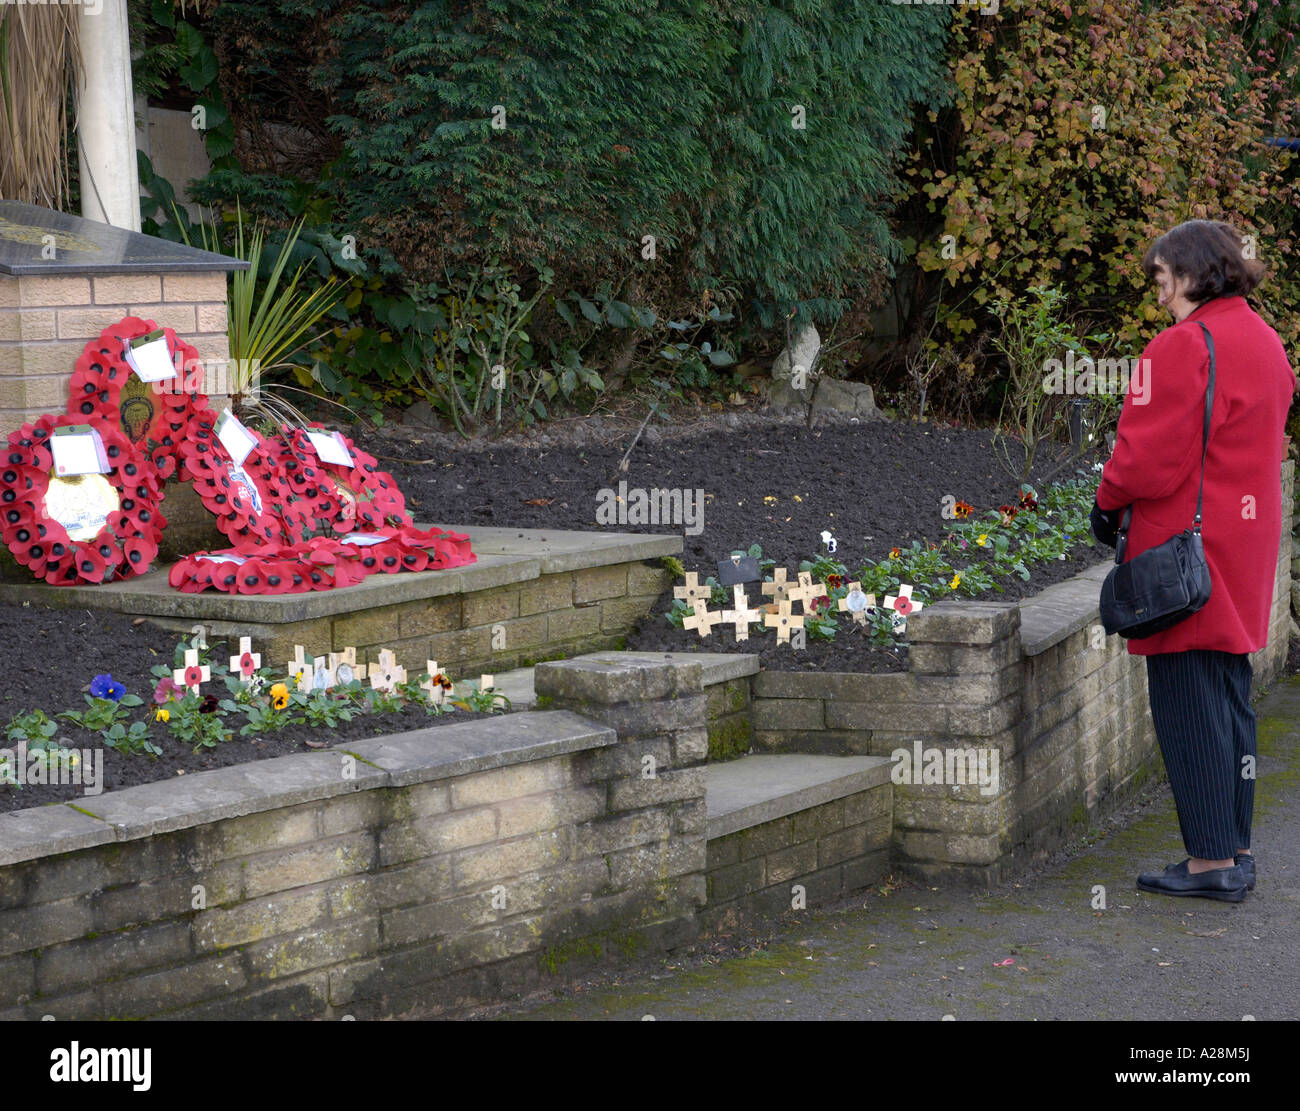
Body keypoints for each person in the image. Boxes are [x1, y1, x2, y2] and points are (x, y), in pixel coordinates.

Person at [1090, 219, 1295, 902]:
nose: (1157, 292)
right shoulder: (1267, 342)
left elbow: (1147, 457)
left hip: (1183, 551)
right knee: (1228, 693)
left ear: (1191, 273)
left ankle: (1211, 863)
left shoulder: (1183, 346)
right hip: (1242, 542)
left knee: (1185, 698)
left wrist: (1106, 497)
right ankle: (1233, 846)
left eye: (1160, 276)